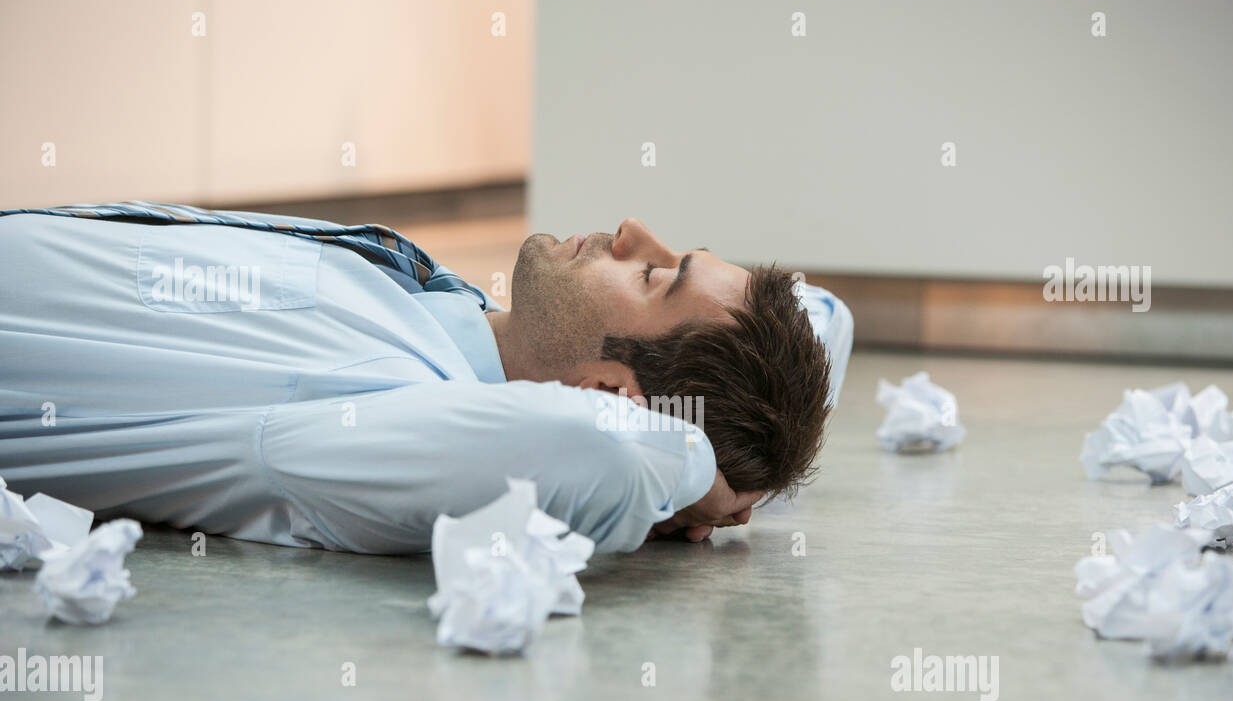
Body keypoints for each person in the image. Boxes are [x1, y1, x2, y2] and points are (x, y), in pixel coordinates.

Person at [0, 203, 852, 554]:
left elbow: (603, 453)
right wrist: (753, 451)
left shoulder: (373, 413)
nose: (632, 230)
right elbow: (827, 314)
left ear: (610, 394)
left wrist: (703, 477)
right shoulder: (439, 313)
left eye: (652, 279)